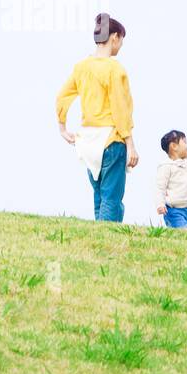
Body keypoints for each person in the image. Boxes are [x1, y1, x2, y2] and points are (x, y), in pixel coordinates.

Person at [55, 13, 138, 222]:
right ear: (115, 37)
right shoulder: (114, 69)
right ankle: (109, 242)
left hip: (88, 142)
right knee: (112, 197)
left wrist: (62, 128)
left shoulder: (81, 67)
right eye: (122, 41)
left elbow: (62, 96)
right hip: (111, 140)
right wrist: (130, 144)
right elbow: (120, 108)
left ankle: (98, 237)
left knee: (99, 196)